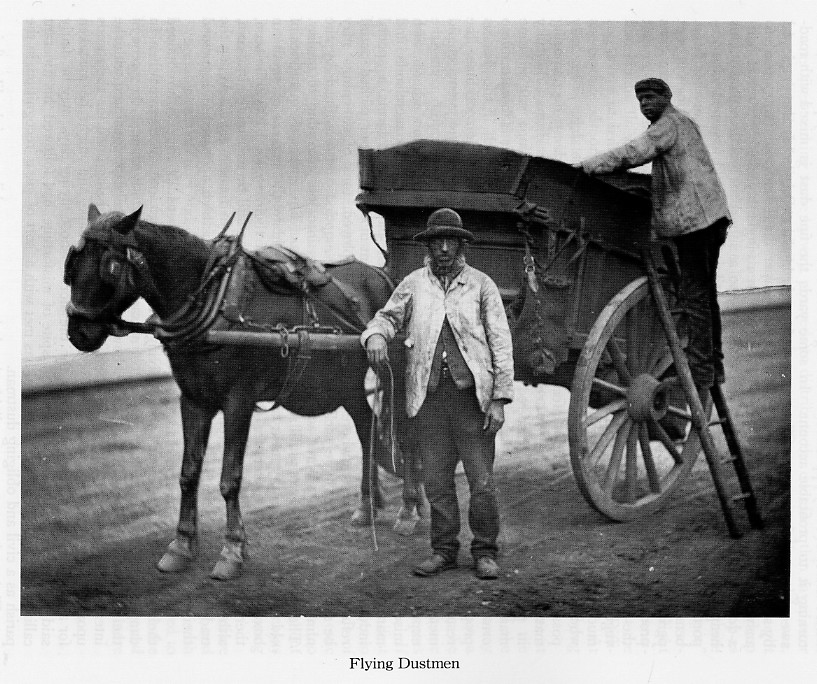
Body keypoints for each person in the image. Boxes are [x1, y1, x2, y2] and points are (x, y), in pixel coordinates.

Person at [361, 208, 514, 580]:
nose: (444, 248)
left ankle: (485, 552)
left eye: (451, 241)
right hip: (428, 401)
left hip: (472, 401)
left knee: (481, 482)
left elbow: (501, 343)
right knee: (437, 482)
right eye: (437, 242)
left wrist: (498, 399)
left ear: (461, 245)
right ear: (428, 246)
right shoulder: (414, 284)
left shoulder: (481, 285)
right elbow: (387, 317)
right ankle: (444, 551)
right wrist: (376, 335)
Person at [576, 77, 732, 397]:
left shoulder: (668, 125)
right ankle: (712, 366)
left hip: (696, 222)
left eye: (650, 97)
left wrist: (587, 167)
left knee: (695, 295)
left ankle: (702, 370)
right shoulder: (684, 123)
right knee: (704, 294)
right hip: (709, 218)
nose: (645, 104)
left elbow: (634, 152)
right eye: (640, 100)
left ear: (666, 97)